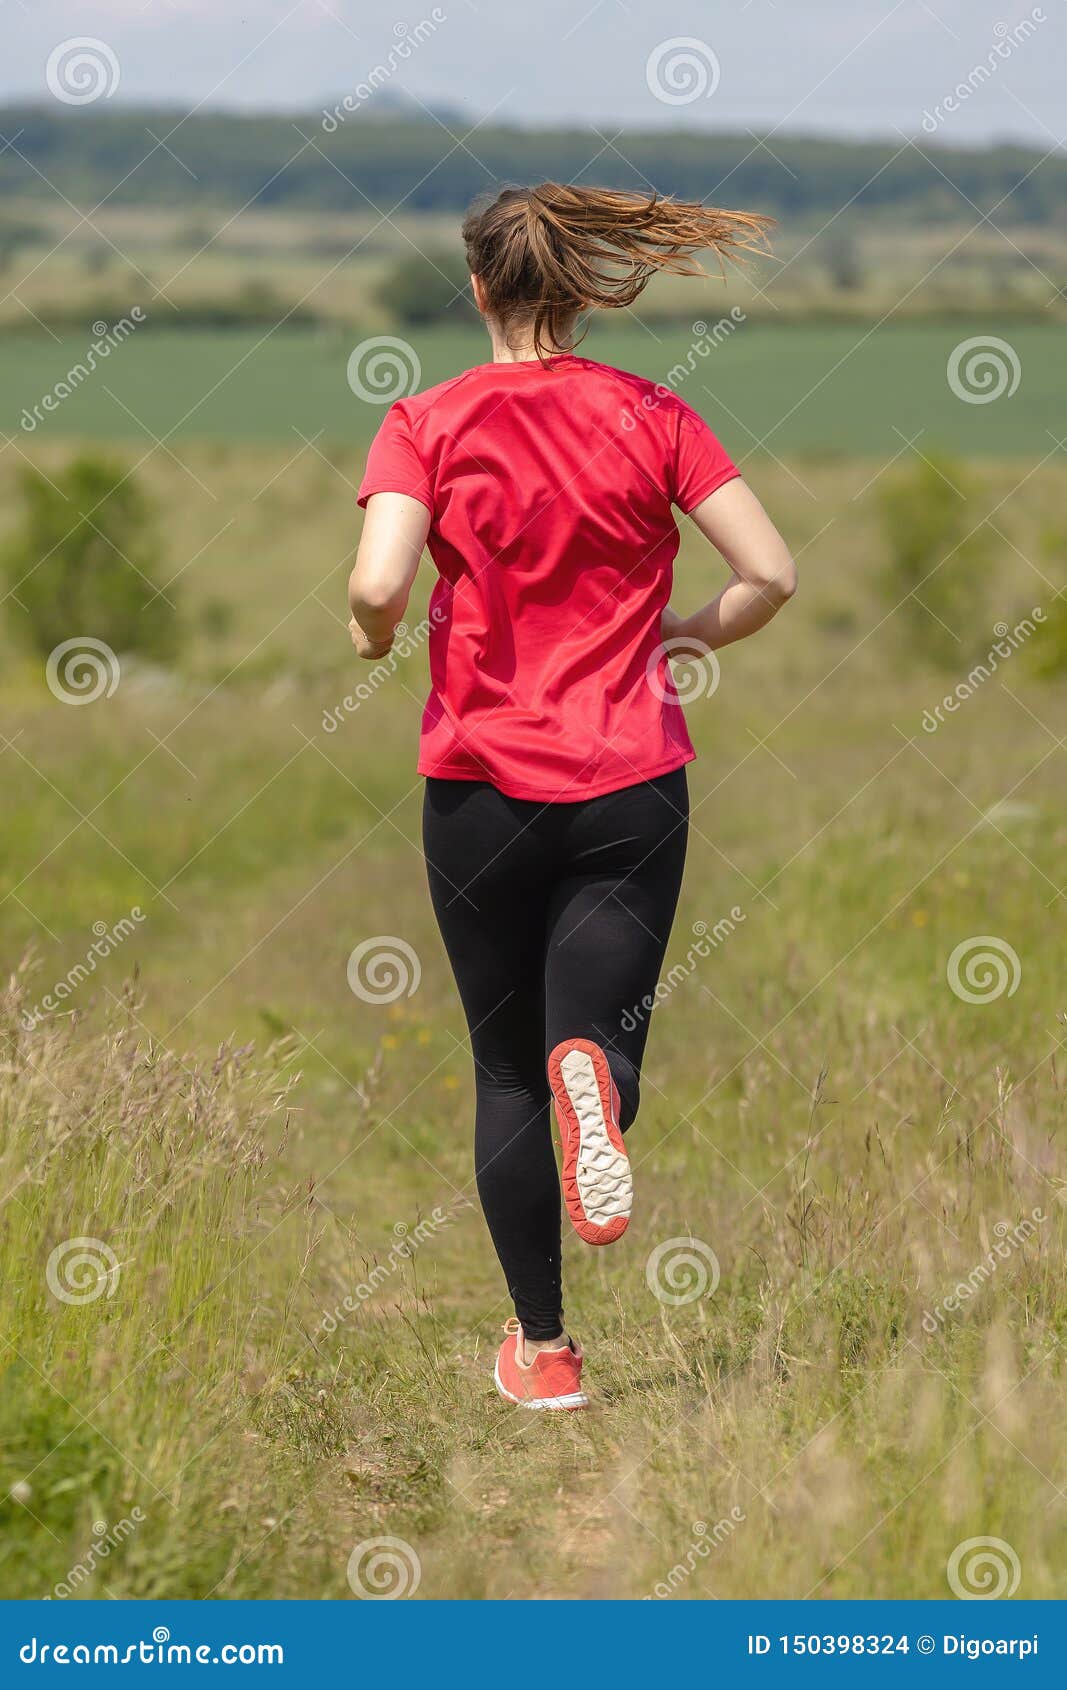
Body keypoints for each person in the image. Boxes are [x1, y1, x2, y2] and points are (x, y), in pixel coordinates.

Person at [348, 183, 796, 1410]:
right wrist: (685, 638)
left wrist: (368, 631)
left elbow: (381, 579)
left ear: (481, 288)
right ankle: (590, 1075)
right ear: (575, 286)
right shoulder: (652, 413)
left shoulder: (424, 420)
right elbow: (769, 570)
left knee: (500, 1070)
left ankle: (543, 1353)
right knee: (588, 1039)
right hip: (629, 778)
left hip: (479, 786)